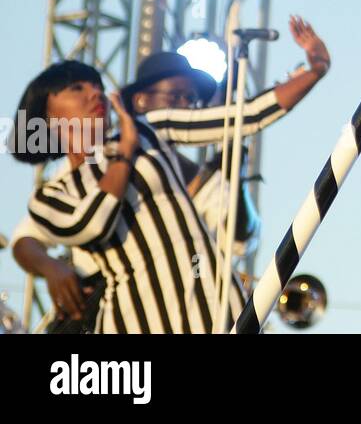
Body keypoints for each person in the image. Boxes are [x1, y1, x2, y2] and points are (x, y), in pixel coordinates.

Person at [9, 17, 330, 333]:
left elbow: (244, 116)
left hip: (218, 313)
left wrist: (315, 70)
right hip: (138, 323)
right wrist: (125, 152)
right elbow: (95, 224)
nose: (94, 93)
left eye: (97, 85)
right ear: (48, 117)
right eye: (77, 88)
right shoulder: (50, 196)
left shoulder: (150, 131)